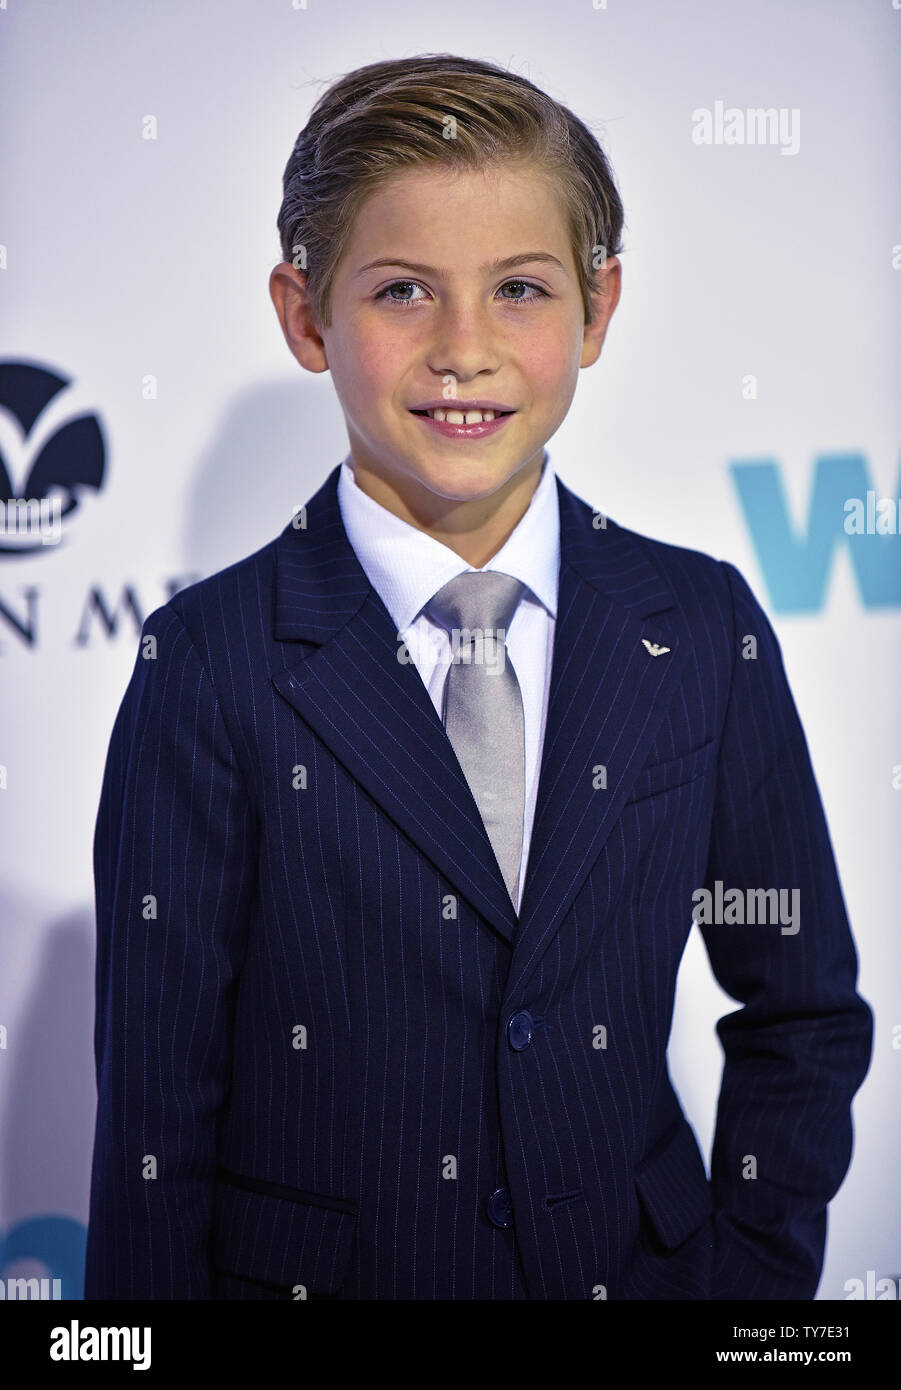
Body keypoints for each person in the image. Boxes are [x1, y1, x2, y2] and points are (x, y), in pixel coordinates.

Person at [84, 53, 873, 1300]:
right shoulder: (208, 665)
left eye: (518, 289)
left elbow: (801, 1009)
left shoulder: (698, 625)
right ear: (305, 315)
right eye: (402, 290)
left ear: (598, 309)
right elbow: (152, 1115)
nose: (464, 349)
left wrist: (746, 1298)